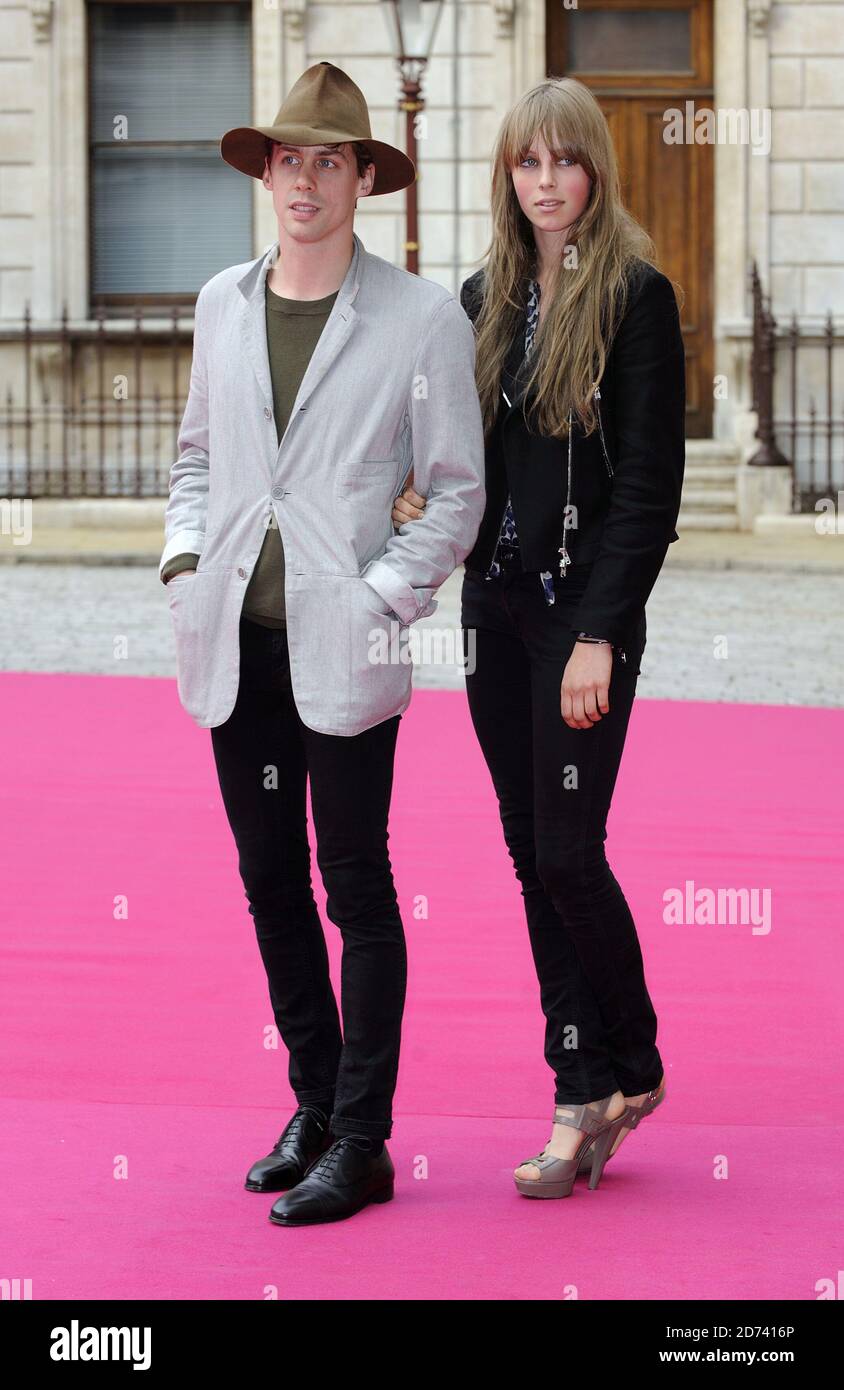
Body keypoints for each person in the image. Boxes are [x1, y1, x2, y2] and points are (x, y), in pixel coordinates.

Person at [159, 62, 485, 1225]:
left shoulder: (419, 317)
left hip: (344, 655)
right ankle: (309, 1099)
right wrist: (186, 561)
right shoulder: (220, 302)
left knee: (354, 883)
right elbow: (196, 457)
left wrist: (383, 597)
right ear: (267, 174)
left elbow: (454, 492)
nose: (305, 180)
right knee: (265, 879)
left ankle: (363, 1134)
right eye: (287, 159)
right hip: (236, 646)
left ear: (362, 180)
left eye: (328, 161)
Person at [390, 76, 684, 1198]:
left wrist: (601, 634)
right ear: (507, 176)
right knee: (528, 856)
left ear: (594, 172)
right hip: (493, 613)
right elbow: (458, 456)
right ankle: (581, 1089)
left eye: (565, 160)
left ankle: (636, 1059)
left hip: (578, 618)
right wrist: (414, 503)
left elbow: (649, 487)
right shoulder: (481, 296)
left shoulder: (634, 298)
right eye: (527, 162)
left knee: (566, 848)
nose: (546, 180)